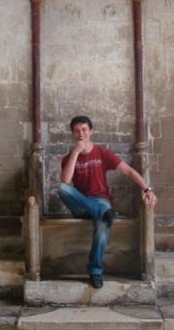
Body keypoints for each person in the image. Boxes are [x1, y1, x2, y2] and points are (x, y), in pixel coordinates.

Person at [59, 115, 157, 289]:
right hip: (81, 205)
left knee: (102, 225)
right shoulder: (68, 158)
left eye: (84, 130)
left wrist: (147, 189)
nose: (81, 134)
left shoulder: (102, 153)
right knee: (62, 188)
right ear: (73, 134)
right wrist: (75, 152)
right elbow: (66, 181)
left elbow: (128, 171)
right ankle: (102, 213)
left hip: (100, 200)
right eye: (77, 131)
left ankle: (95, 271)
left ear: (91, 131)